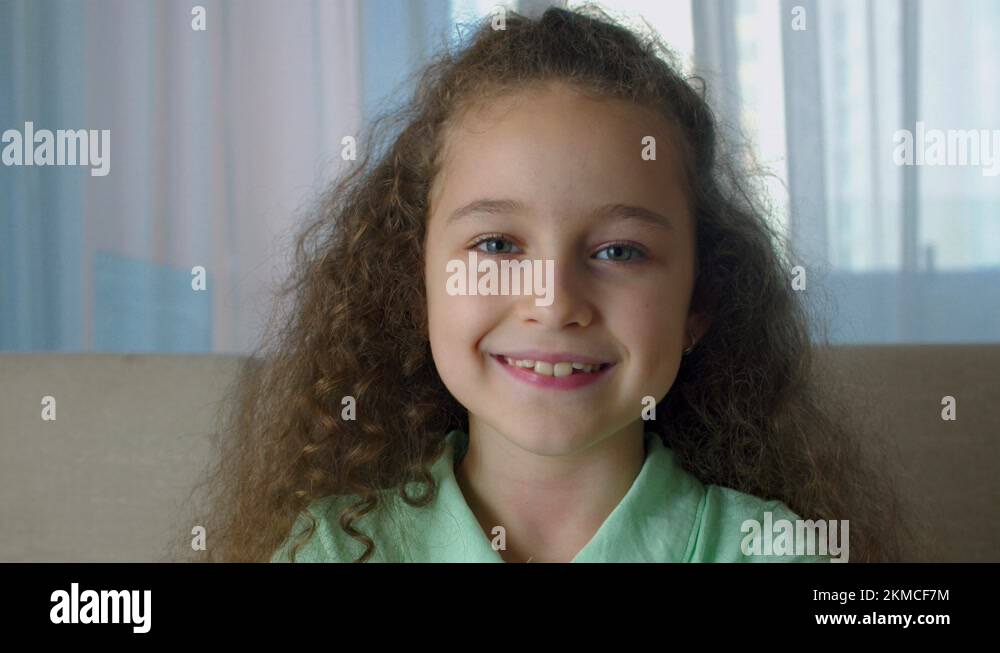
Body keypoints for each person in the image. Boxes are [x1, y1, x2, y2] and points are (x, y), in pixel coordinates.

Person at [184, 5, 914, 563]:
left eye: (621, 250)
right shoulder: (334, 550)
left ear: (699, 303)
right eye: (497, 244)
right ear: (416, 285)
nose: (555, 299)